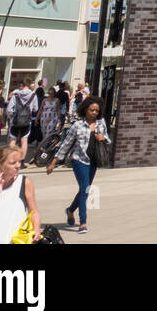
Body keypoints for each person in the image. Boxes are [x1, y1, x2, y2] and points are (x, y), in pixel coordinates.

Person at [46, 95, 109, 235]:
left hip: (93, 161)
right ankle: (83, 222)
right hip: (79, 161)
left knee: (84, 190)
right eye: (92, 110)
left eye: (97, 111)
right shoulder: (77, 125)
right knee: (85, 189)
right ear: (85, 110)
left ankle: (70, 210)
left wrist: (103, 138)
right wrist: (53, 163)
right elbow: (65, 145)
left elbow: (108, 140)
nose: (94, 113)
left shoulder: (101, 123)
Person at [7, 80, 39, 162]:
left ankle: (10, 159)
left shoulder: (16, 95)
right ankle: (21, 160)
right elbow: (35, 109)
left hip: (15, 120)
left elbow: (9, 109)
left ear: (22, 85)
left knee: (12, 140)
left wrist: (12, 117)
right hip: (27, 121)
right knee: (24, 140)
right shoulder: (33, 95)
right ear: (29, 85)